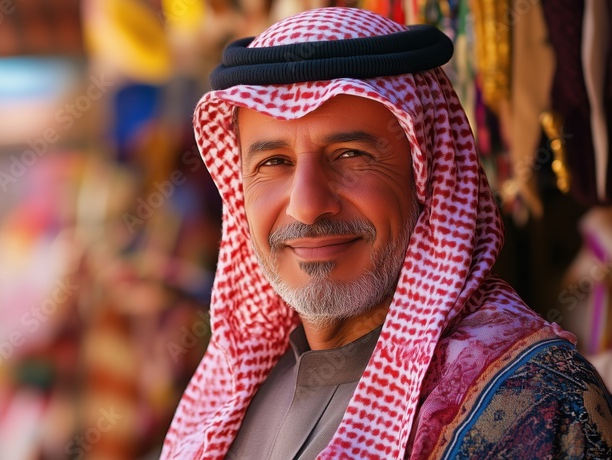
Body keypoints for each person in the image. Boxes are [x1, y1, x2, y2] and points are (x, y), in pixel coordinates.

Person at [161, 7, 612, 459]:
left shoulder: (534, 402)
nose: (307, 204)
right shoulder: (226, 402)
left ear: (428, 175)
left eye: (350, 154)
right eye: (273, 162)